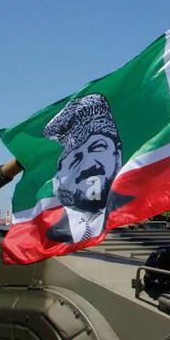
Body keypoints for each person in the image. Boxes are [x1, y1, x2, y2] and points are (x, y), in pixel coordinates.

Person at [43, 93, 133, 244]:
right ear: (60, 175)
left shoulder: (136, 206)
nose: (90, 164)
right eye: (75, 158)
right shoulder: (50, 231)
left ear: (118, 155)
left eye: (98, 147)